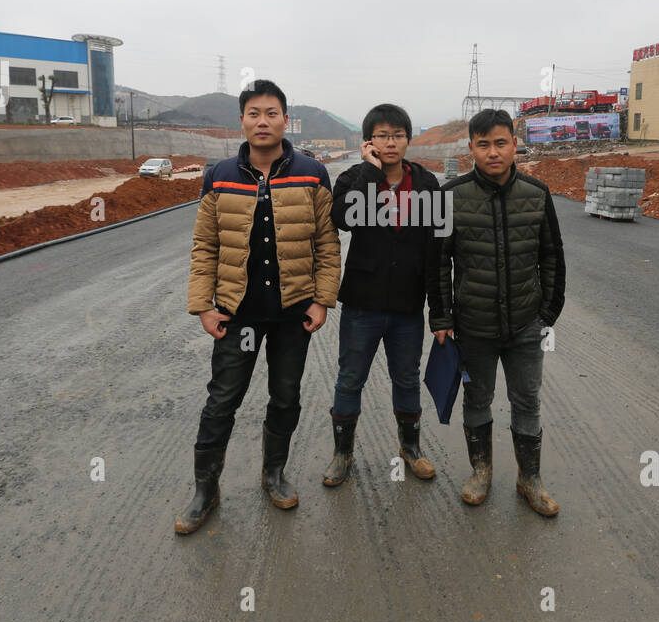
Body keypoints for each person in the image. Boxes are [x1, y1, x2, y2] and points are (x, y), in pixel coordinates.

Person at [176, 80, 340, 535]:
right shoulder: (220, 174)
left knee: (285, 396)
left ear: (286, 120)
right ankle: (205, 491)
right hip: (238, 314)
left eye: (271, 113)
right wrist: (204, 307)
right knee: (222, 400)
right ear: (242, 121)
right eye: (253, 113)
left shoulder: (311, 173)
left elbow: (327, 243)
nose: (262, 121)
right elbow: (204, 246)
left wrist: (322, 299)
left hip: (292, 314)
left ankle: (274, 474)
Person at [427, 109, 566, 516]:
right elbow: (438, 263)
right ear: (471, 147)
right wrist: (442, 318)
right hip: (474, 326)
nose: (492, 152)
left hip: (525, 324)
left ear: (514, 144)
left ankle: (530, 479)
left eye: (500, 142)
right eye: (483, 144)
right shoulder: (449, 196)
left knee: (527, 400)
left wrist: (547, 313)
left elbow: (552, 256)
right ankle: (481, 472)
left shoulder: (537, 194)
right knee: (477, 398)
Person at [323, 104, 444, 486]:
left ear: (408, 139)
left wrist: (440, 312)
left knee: (406, 379)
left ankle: (411, 449)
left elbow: (437, 251)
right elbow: (344, 218)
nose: (390, 142)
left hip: (408, 305)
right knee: (349, 378)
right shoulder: (352, 179)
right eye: (382, 135)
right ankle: (342, 454)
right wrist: (371, 174)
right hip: (363, 302)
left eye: (397, 135)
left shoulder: (426, 184)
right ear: (369, 141)